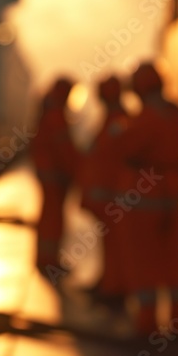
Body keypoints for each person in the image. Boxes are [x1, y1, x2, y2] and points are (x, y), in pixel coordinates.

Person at [115, 63, 178, 336]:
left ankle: (147, 324)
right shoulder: (176, 115)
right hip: (171, 199)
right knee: (173, 263)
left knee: (144, 264)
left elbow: (126, 148)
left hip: (144, 203)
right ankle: (177, 322)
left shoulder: (145, 119)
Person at [80, 75, 131, 309]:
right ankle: (109, 283)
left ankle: (115, 288)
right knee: (110, 244)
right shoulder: (113, 119)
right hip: (108, 197)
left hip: (114, 197)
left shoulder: (119, 121)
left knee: (117, 245)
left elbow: (111, 159)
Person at [31, 77, 81, 282]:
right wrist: (77, 167)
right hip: (55, 176)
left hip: (49, 174)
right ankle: (49, 261)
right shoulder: (56, 116)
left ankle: (45, 258)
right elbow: (64, 150)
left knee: (48, 217)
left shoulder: (48, 113)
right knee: (53, 219)